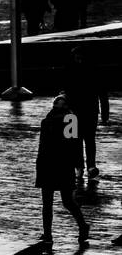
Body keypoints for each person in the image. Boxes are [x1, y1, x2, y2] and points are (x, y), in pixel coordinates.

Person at [36, 94, 88, 244]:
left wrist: (78, 164)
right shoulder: (69, 119)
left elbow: (74, 144)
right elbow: (75, 145)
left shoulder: (51, 120)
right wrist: (79, 164)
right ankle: (80, 227)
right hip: (59, 164)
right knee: (64, 201)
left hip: (54, 164)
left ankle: (49, 235)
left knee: (52, 202)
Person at [63, 46, 110, 181]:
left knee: (79, 140)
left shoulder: (69, 70)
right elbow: (103, 93)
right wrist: (104, 115)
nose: (79, 60)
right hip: (84, 111)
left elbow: (62, 91)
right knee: (84, 140)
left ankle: (81, 166)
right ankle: (86, 166)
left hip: (74, 113)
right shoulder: (93, 70)